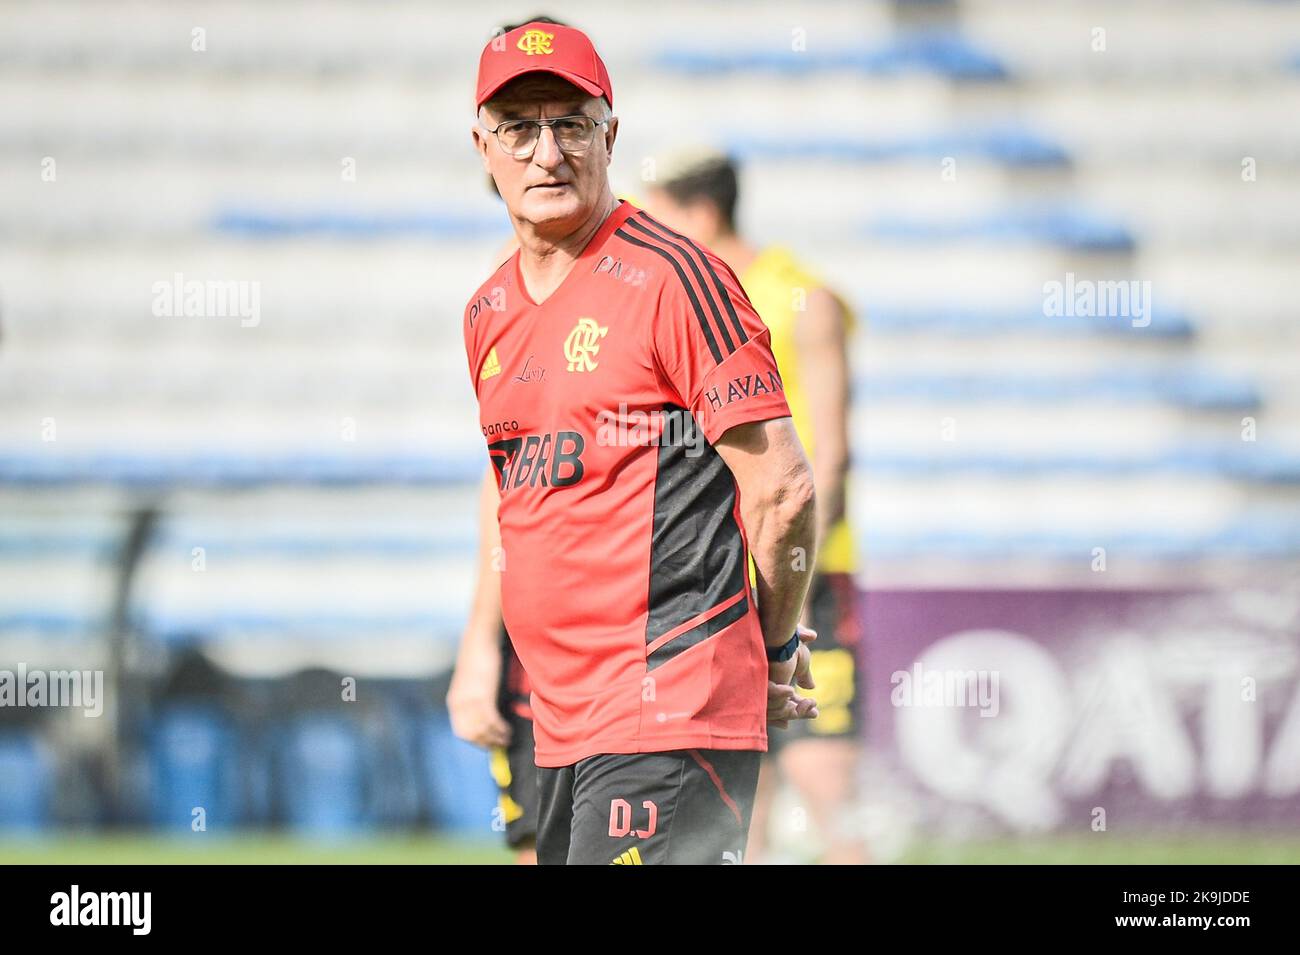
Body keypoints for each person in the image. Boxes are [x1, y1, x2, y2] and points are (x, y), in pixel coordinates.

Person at [457, 20, 819, 865]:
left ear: (609, 136)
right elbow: (513, 500)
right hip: (557, 718)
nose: (546, 151)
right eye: (519, 127)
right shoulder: (486, 313)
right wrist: (480, 650)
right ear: (483, 146)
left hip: (672, 705)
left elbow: (784, 487)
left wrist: (767, 648)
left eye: (570, 124)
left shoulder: (672, 277)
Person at [641, 150, 869, 864]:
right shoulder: (673, 302)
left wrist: (791, 572)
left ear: (701, 214)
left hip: (804, 572)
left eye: (660, 217)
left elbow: (827, 455)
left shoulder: (804, 296)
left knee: (825, 779)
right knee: (742, 796)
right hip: (714, 577)